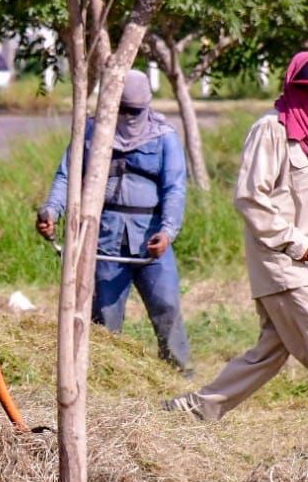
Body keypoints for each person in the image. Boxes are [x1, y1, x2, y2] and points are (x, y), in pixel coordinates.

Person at [165, 50, 308, 459]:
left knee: (270, 352)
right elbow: (249, 198)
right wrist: (293, 241)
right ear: (289, 86)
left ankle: (192, 410)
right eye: (305, 88)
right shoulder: (271, 130)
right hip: (279, 258)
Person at [35, 69, 192, 373]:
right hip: (103, 236)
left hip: (151, 239)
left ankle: (178, 374)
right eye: (122, 110)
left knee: (167, 307)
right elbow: (67, 176)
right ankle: (106, 376)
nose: (128, 117)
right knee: (105, 317)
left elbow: (175, 188)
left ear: (146, 106)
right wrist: (52, 211)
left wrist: (168, 231)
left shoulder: (164, 137)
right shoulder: (91, 133)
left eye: (135, 112)